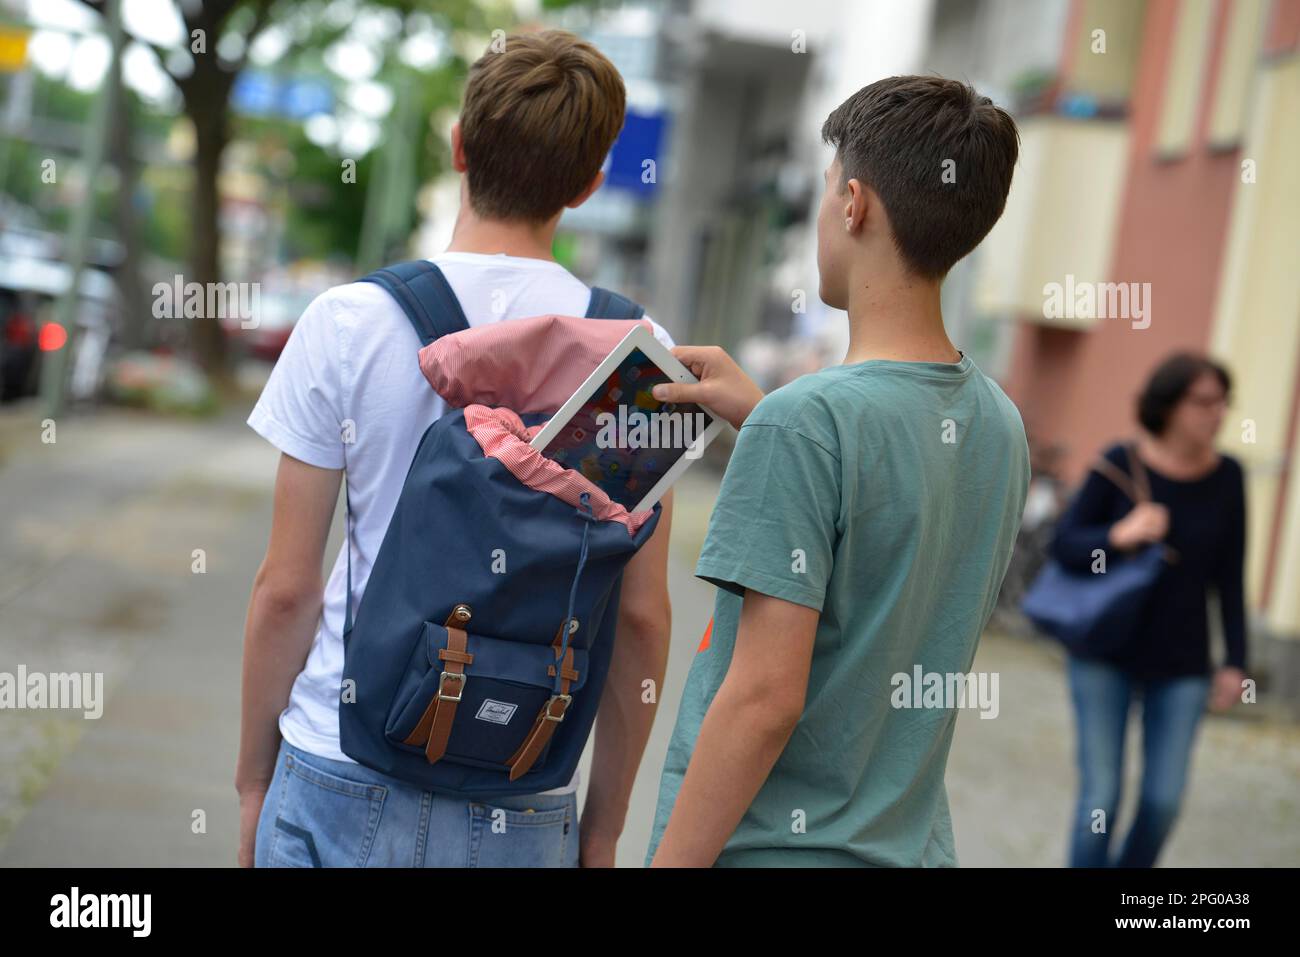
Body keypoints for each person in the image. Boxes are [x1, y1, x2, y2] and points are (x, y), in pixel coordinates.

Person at [236, 30, 675, 868]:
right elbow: (644, 620)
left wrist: (254, 779)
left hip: (338, 758)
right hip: (524, 784)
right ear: (588, 185)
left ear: (459, 147)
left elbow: (285, 590)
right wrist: (605, 827)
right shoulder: (639, 354)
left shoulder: (346, 321)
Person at [644, 76, 1030, 867]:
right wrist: (769, 426)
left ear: (853, 204)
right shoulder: (998, 422)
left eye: (825, 191)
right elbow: (888, 524)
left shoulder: (808, 423)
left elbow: (762, 700)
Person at [1052, 353, 1247, 868]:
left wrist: (1235, 662)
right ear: (1169, 405)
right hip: (1103, 652)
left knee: (1163, 801)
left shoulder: (1229, 477)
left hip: (1182, 663)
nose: (1218, 412)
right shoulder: (1120, 463)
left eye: (1224, 401)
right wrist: (1120, 535)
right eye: (1204, 401)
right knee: (1101, 799)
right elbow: (1065, 545)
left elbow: (1230, 577)